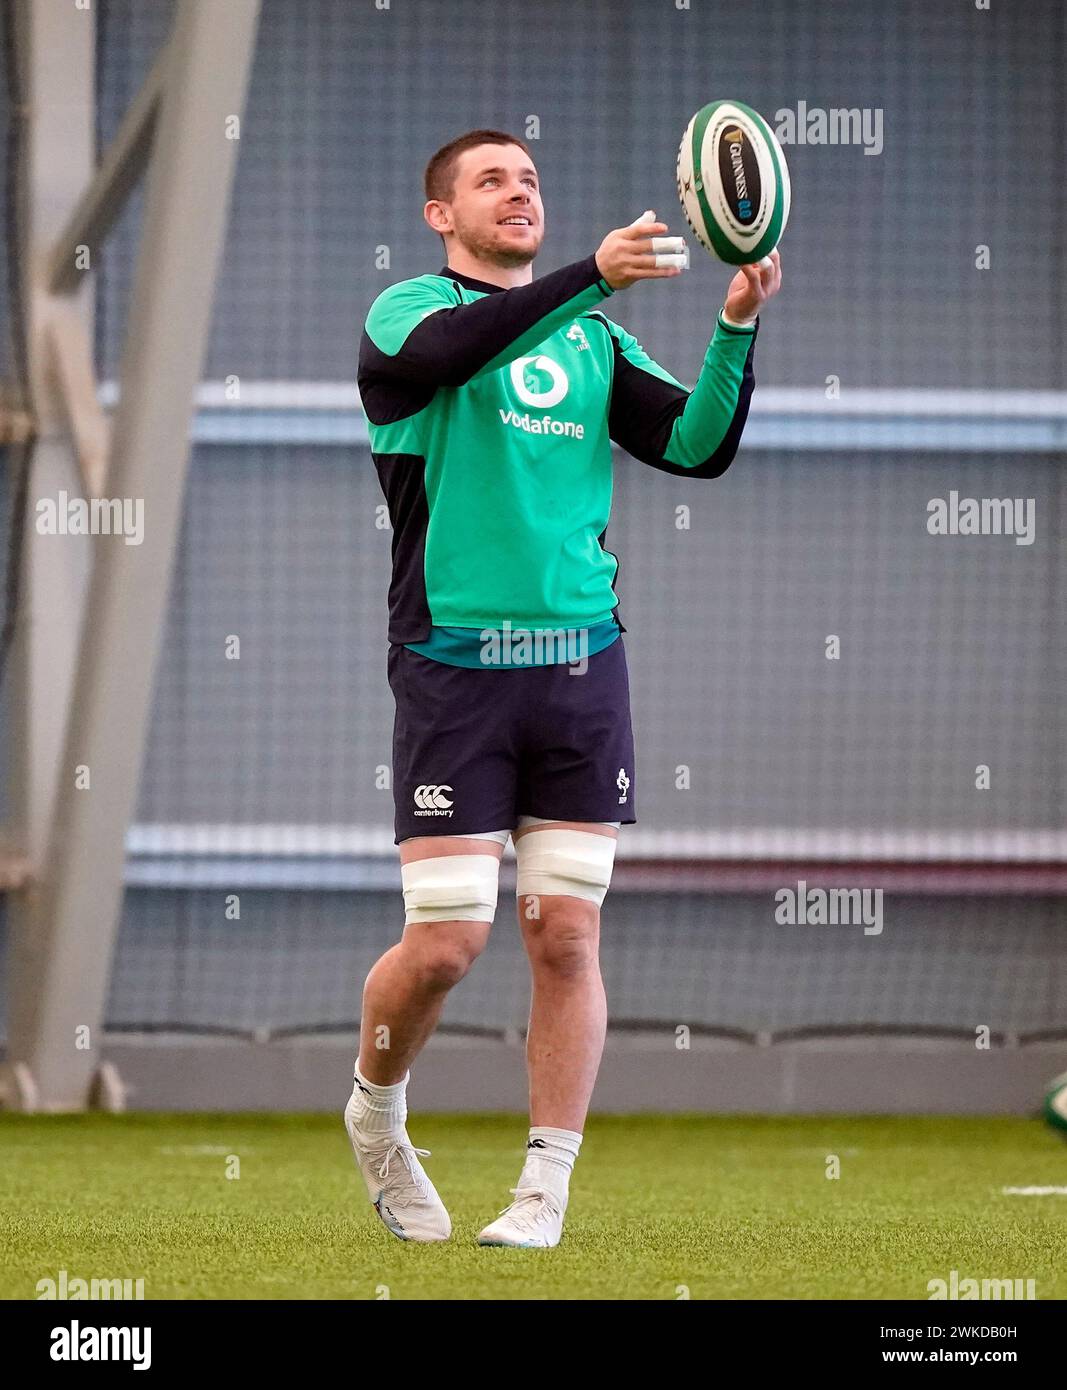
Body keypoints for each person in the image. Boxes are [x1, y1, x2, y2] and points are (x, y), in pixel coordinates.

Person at [348, 128, 782, 1247]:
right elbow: (455, 354)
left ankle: (543, 1186)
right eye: (490, 180)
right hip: (452, 673)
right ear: (441, 213)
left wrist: (734, 325)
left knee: (565, 936)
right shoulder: (405, 315)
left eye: (530, 178)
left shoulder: (594, 337)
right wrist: (590, 270)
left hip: (580, 669)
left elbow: (694, 448)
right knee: (446, 942)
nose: (518, 193)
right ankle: (377, 1110)